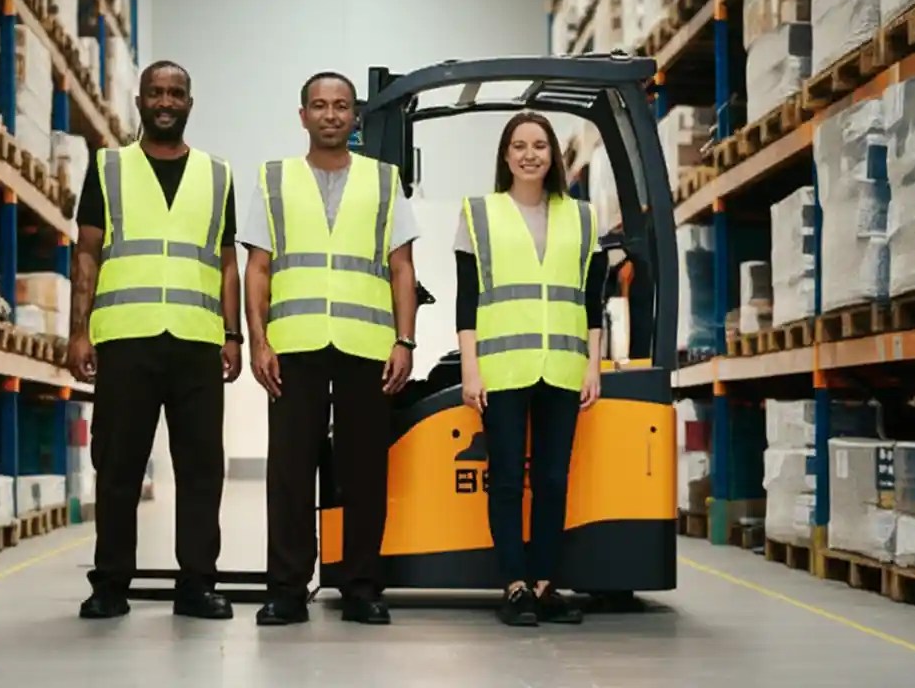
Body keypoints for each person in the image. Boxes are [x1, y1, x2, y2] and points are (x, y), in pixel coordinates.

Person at [240, 71, 420, 626]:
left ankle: (361, 587)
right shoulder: (274, 180)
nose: (331, 115)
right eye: (319, 105)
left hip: (367, 347)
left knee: (364, 472)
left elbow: (402, 267)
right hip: (294, 347)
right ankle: (287, 591)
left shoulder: (385, 181)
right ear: (303, 116)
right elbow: (258, 268)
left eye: (341, 106)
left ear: (355, 116)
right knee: (290, 473)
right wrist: (259, 341)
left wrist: (405, 340)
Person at [68, 60, 242, 621]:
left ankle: (197, 584)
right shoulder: (108, 167)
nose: (166, 101)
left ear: (190, 102)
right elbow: (88, 251)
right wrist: (78, 332)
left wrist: (233, 333)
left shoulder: (217, 174)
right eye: (156, 93)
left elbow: (226, 259)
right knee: (118, 466)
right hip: (126, 339)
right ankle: (110, 584)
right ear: (139, 101)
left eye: (176, 93)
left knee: (201, 470)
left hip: (196, 341)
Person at [454, 111, 607, 627]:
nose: (529, 154)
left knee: (551, 478)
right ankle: (514, 584)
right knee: (504, 481)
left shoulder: (583, 217)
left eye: (539, 145)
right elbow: (467, 299)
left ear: (553, 155)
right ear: (504, 155)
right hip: (501, 367)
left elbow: (593, 297)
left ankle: (545, 583)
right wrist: (470, 370)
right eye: (518, 145)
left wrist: (593, 364)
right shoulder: (479, 214)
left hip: (563, 367)